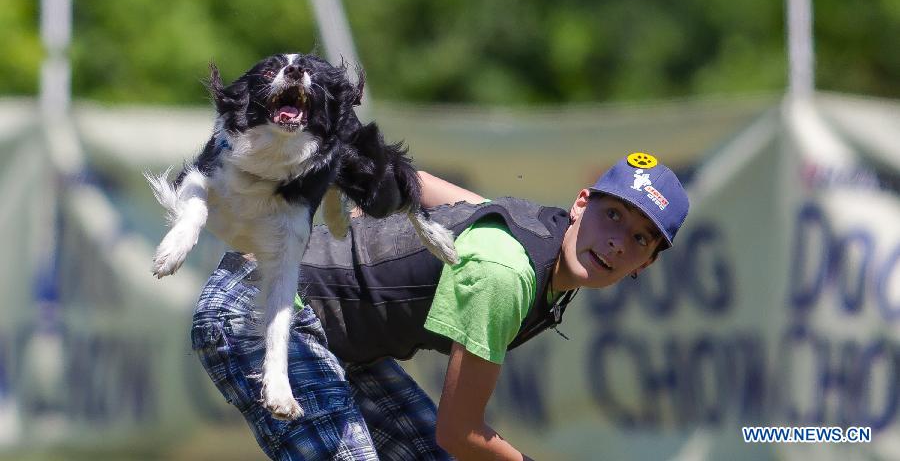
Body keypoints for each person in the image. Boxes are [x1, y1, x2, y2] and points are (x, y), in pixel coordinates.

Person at [191, 152, 689, 460]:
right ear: (581, 203)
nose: (618, 241)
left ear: (646, 263)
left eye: (640, 236)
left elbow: (420, 182)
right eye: (613, 214)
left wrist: (369, 214)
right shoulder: (507, 273)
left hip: (329, 337)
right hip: (259, 307)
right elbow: (460, 432)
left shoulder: (538, 238)